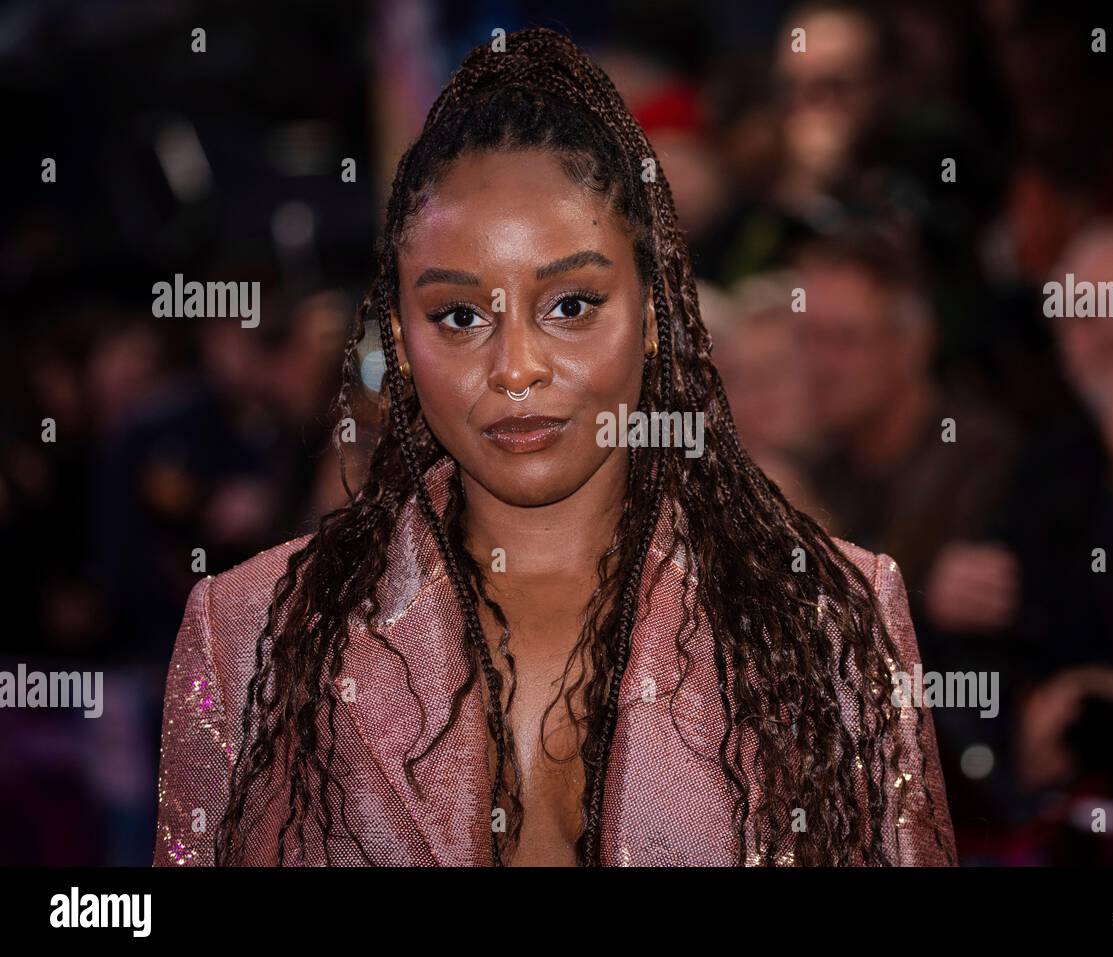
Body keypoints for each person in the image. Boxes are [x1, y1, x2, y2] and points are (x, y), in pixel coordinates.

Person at [152, 28, 956, 867]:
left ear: (651, 316)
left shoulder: (834, 618)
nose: (517, 368)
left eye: (571, 304)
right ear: (399, 334)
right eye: (459, 316)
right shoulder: (249, 632)